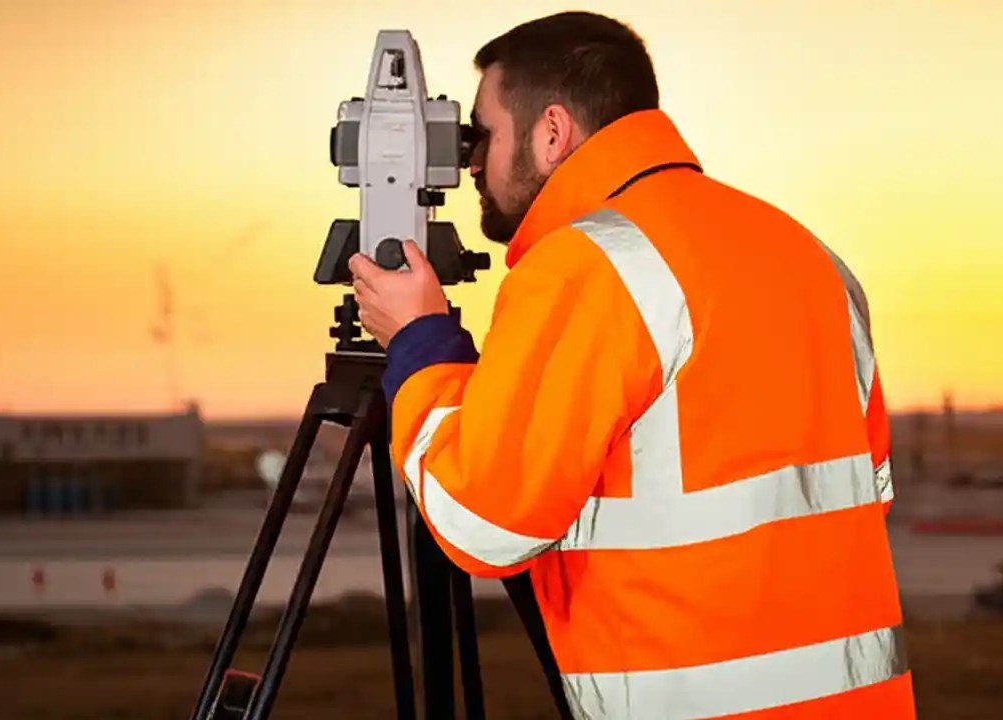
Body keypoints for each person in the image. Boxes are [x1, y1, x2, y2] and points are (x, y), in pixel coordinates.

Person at [348, 11, 915, 719]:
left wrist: (422, 344)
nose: (468, 163)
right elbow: (864, 493)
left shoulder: (587, 269)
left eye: (483, 134)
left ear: (552, 133)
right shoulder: (809, 257)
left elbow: (482, 523)